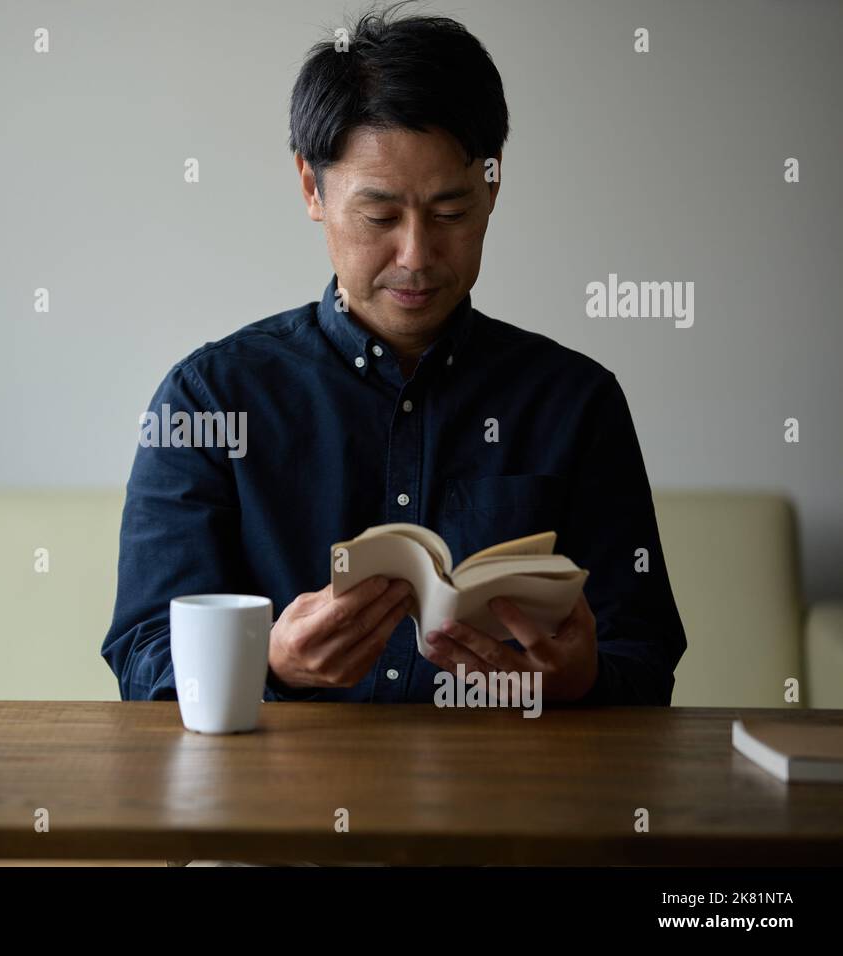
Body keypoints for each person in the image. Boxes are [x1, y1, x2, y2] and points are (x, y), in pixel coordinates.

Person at [101, 2, 687, 867]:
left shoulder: (576, 403)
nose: (416, 255)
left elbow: (647, 659)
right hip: (270, 838)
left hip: (510, 835)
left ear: (492, 184)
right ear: (311, 187)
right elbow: (141, 654)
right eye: (380, 215)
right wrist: (270, 660)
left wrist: (581, 679)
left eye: (450, 211)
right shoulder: (209, 397)